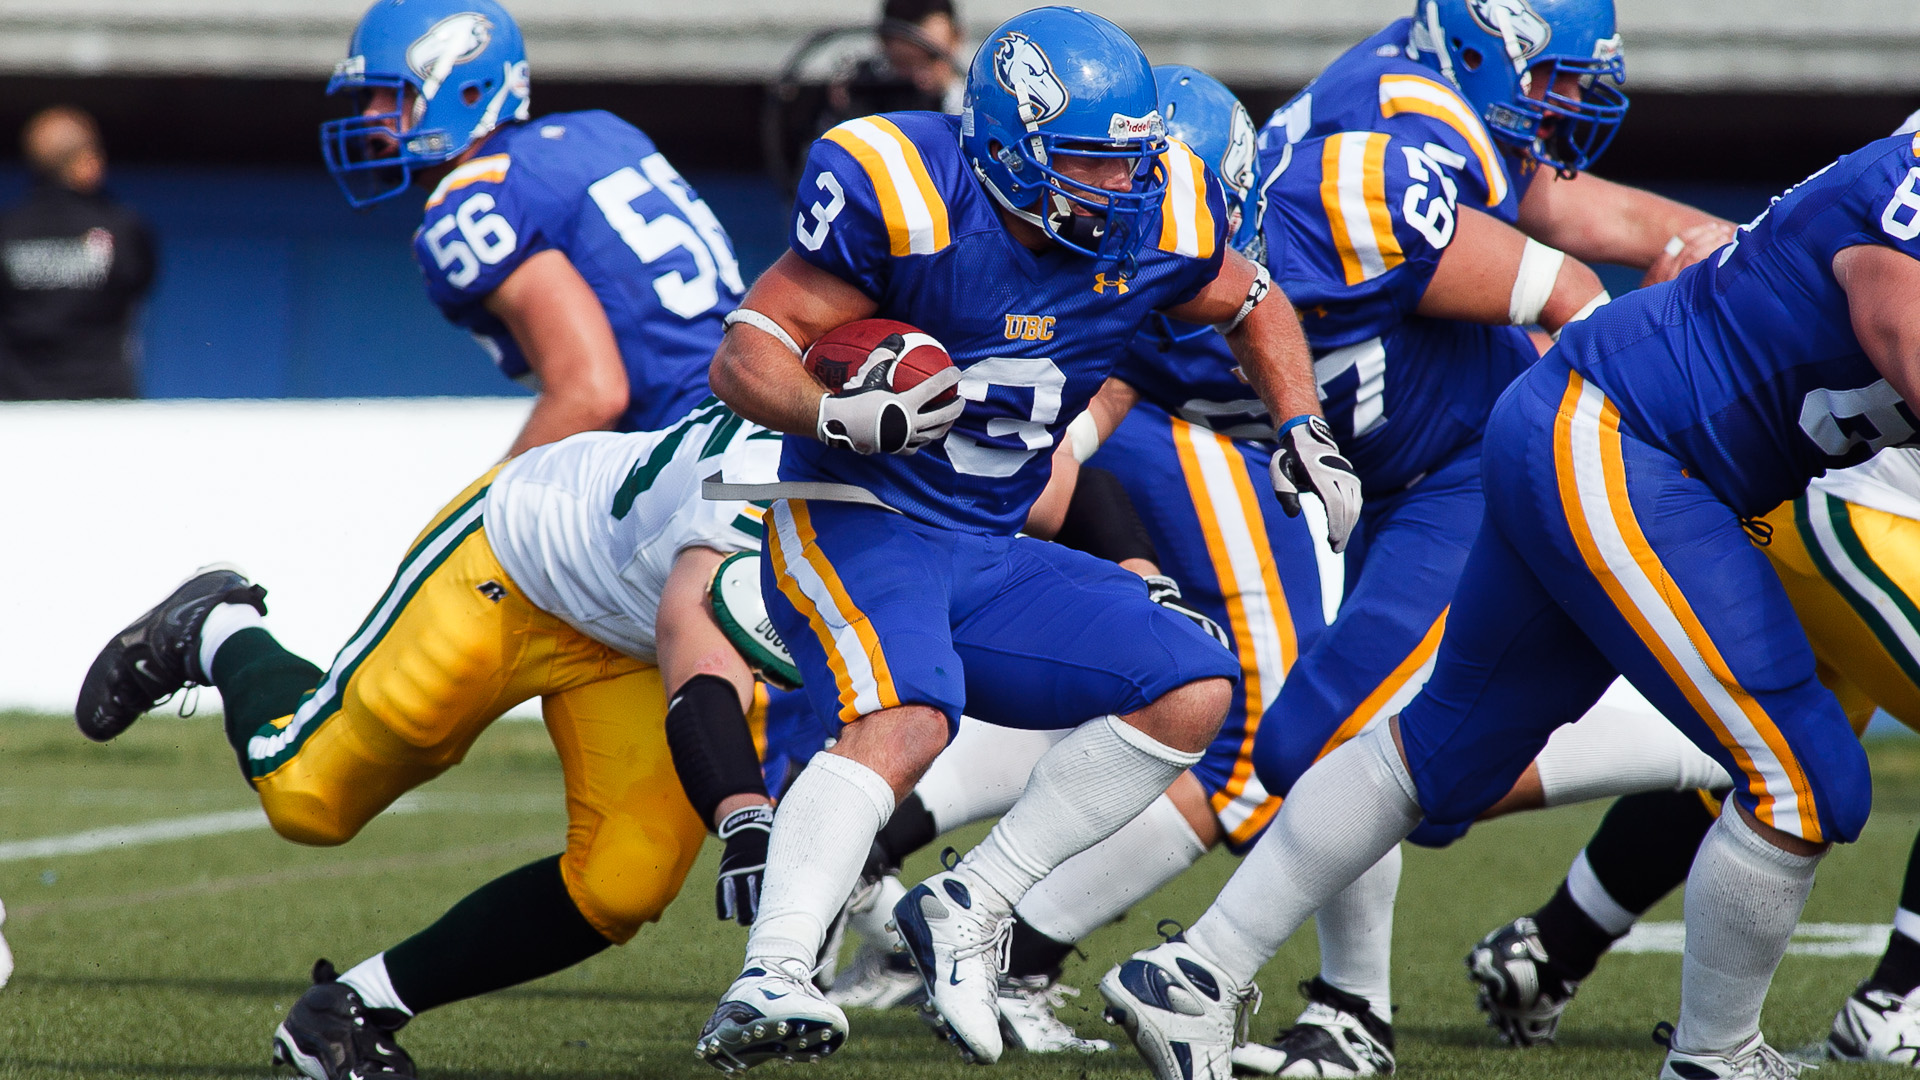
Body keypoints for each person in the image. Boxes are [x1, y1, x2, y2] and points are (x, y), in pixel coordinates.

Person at [1100, 84, 1920, 1079]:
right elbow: (1902, 337)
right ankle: (1716, 1056)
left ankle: (1194, 974)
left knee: (1437, 748)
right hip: (1634, 445)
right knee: (1807, 778)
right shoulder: (1902, 188)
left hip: (1596, 432)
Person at [693, 6, 1362, 1071]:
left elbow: (1253, 299)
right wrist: (835, 415)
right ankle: (772, 975)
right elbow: (748, 352)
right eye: (1094, 163)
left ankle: (973, 904)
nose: (1124, 188)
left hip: (991, 546)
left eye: (1134, 161)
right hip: (861, 518)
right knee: (909, 718)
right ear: (1009, 145)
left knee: (1192, 681)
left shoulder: (1161, 212)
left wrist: (1302, 426)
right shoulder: (905, 190)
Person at [72, 401, 791, 1080]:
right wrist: (747, 817)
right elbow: (701, 664)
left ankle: (353, 1009)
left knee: (622, 881)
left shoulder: (889, 497)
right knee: (308, 797)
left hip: (635, 635)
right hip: (523, 564)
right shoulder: (758, 472)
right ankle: (217, 627)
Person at [1466, 448, 1920, 1062]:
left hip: (1796, 498)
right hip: (1864, 512)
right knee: (1779, 765)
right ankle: (1901, 998)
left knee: (1777, 764)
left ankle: (1552, 949)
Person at [322, 0, 742, 454]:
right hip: (755, 421)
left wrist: (482, 510)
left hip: (693, 454)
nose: (369, 116)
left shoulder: (473, 200)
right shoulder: (599, 133)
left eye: (392, 93)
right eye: (366, 98)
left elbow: (591, 394)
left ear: (466, 89)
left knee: (478, 520)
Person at [0, 105, 155, 400]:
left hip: (18, 410)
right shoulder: (121, 228)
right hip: (103, 406)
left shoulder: (6, 230)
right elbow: (141, 284)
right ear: (87, 163)